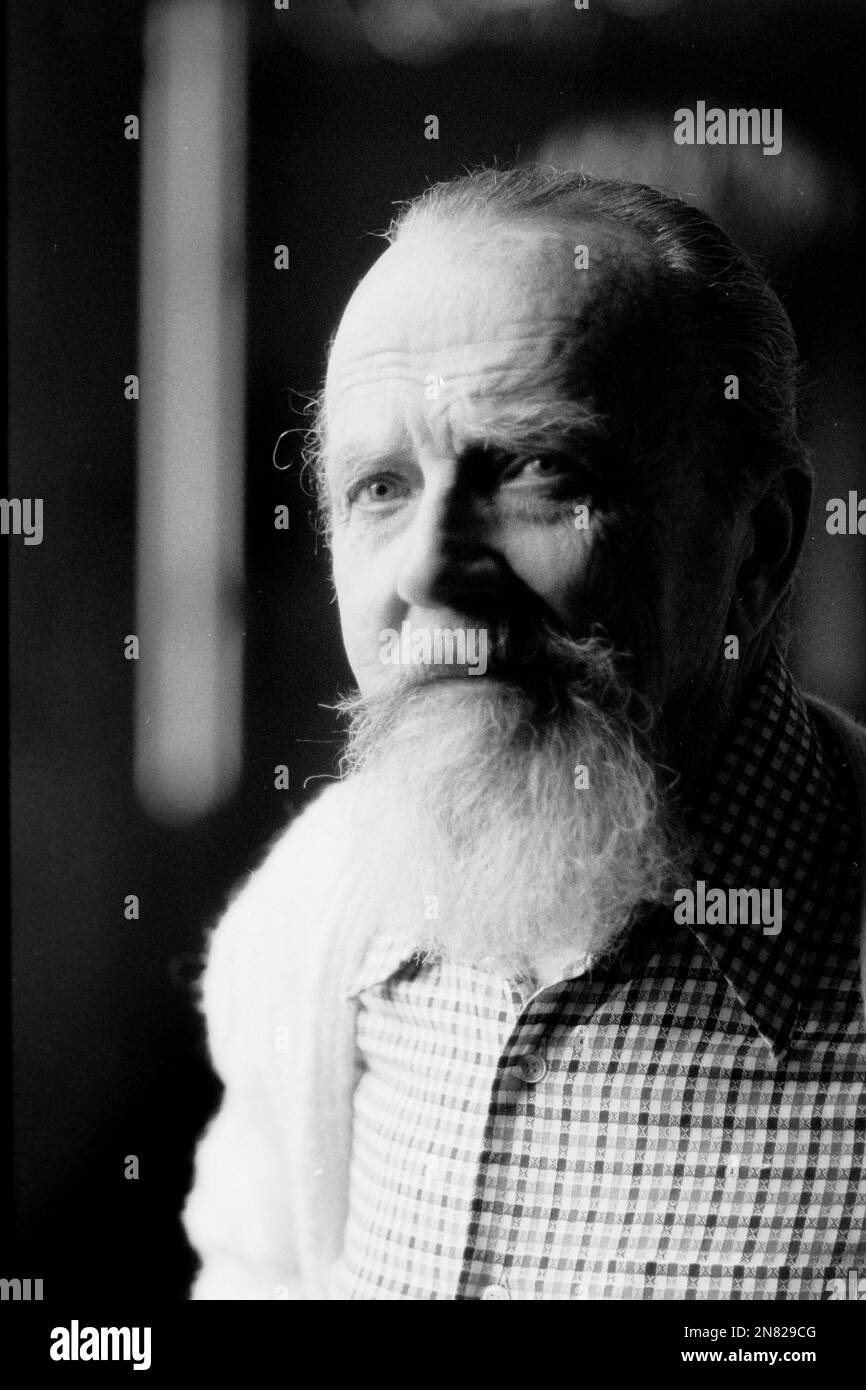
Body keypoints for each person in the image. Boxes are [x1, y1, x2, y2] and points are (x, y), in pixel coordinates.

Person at [182, 167, 866, 1301]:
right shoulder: (307, 916)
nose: (428, 570)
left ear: (755, 548)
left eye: (541, 469)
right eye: (379, 489)